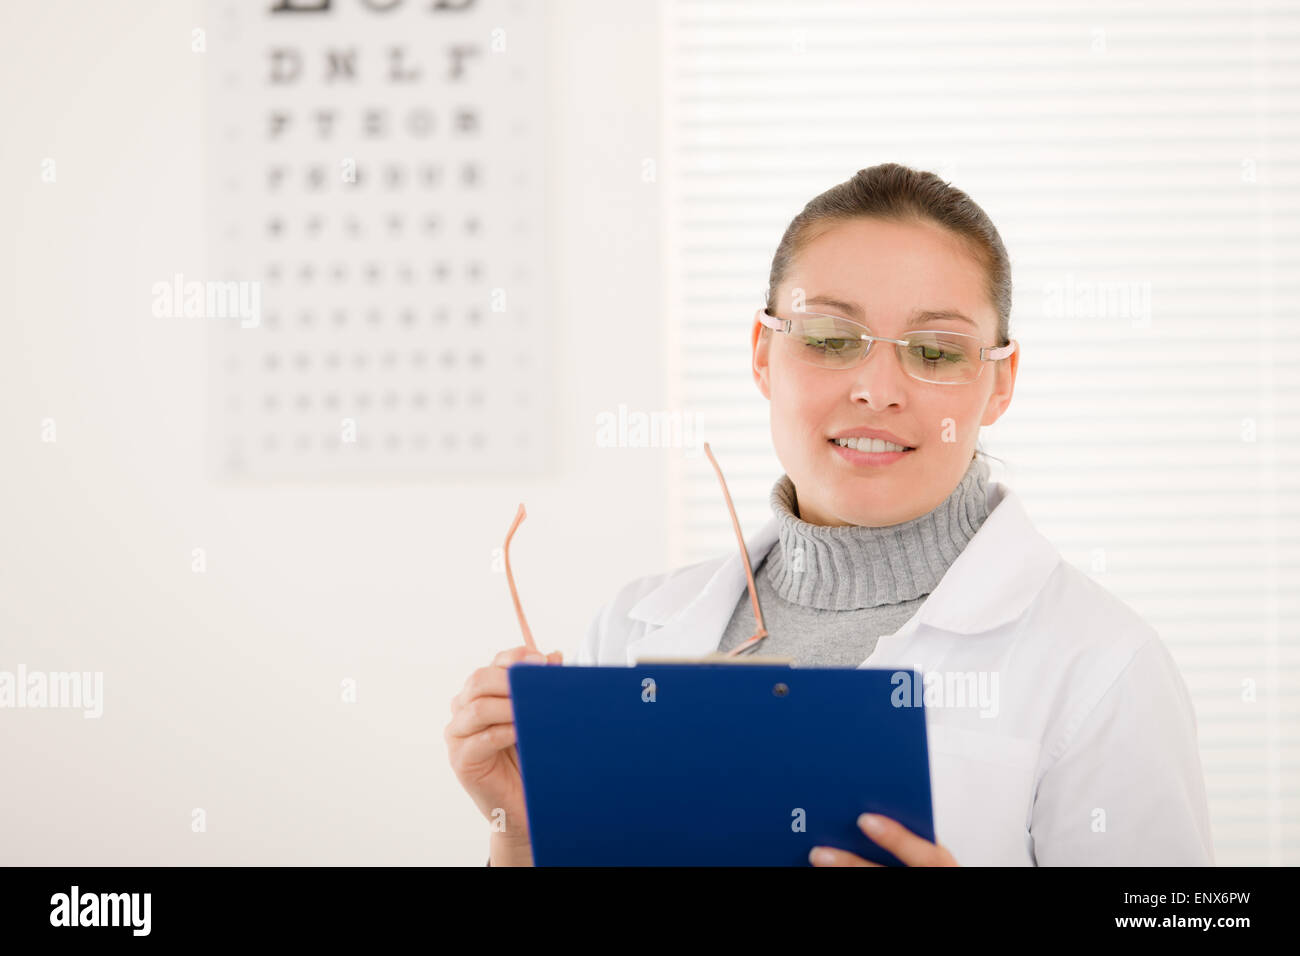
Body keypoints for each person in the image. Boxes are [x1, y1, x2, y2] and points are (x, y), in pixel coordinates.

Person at [446, 162, 1215, 867]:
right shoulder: (629, 633)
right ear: (762, 354)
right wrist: (525, 838)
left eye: (936, 352)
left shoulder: (1101, 667)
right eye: (828, 338)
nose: (877, 389)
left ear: (1000, 383)